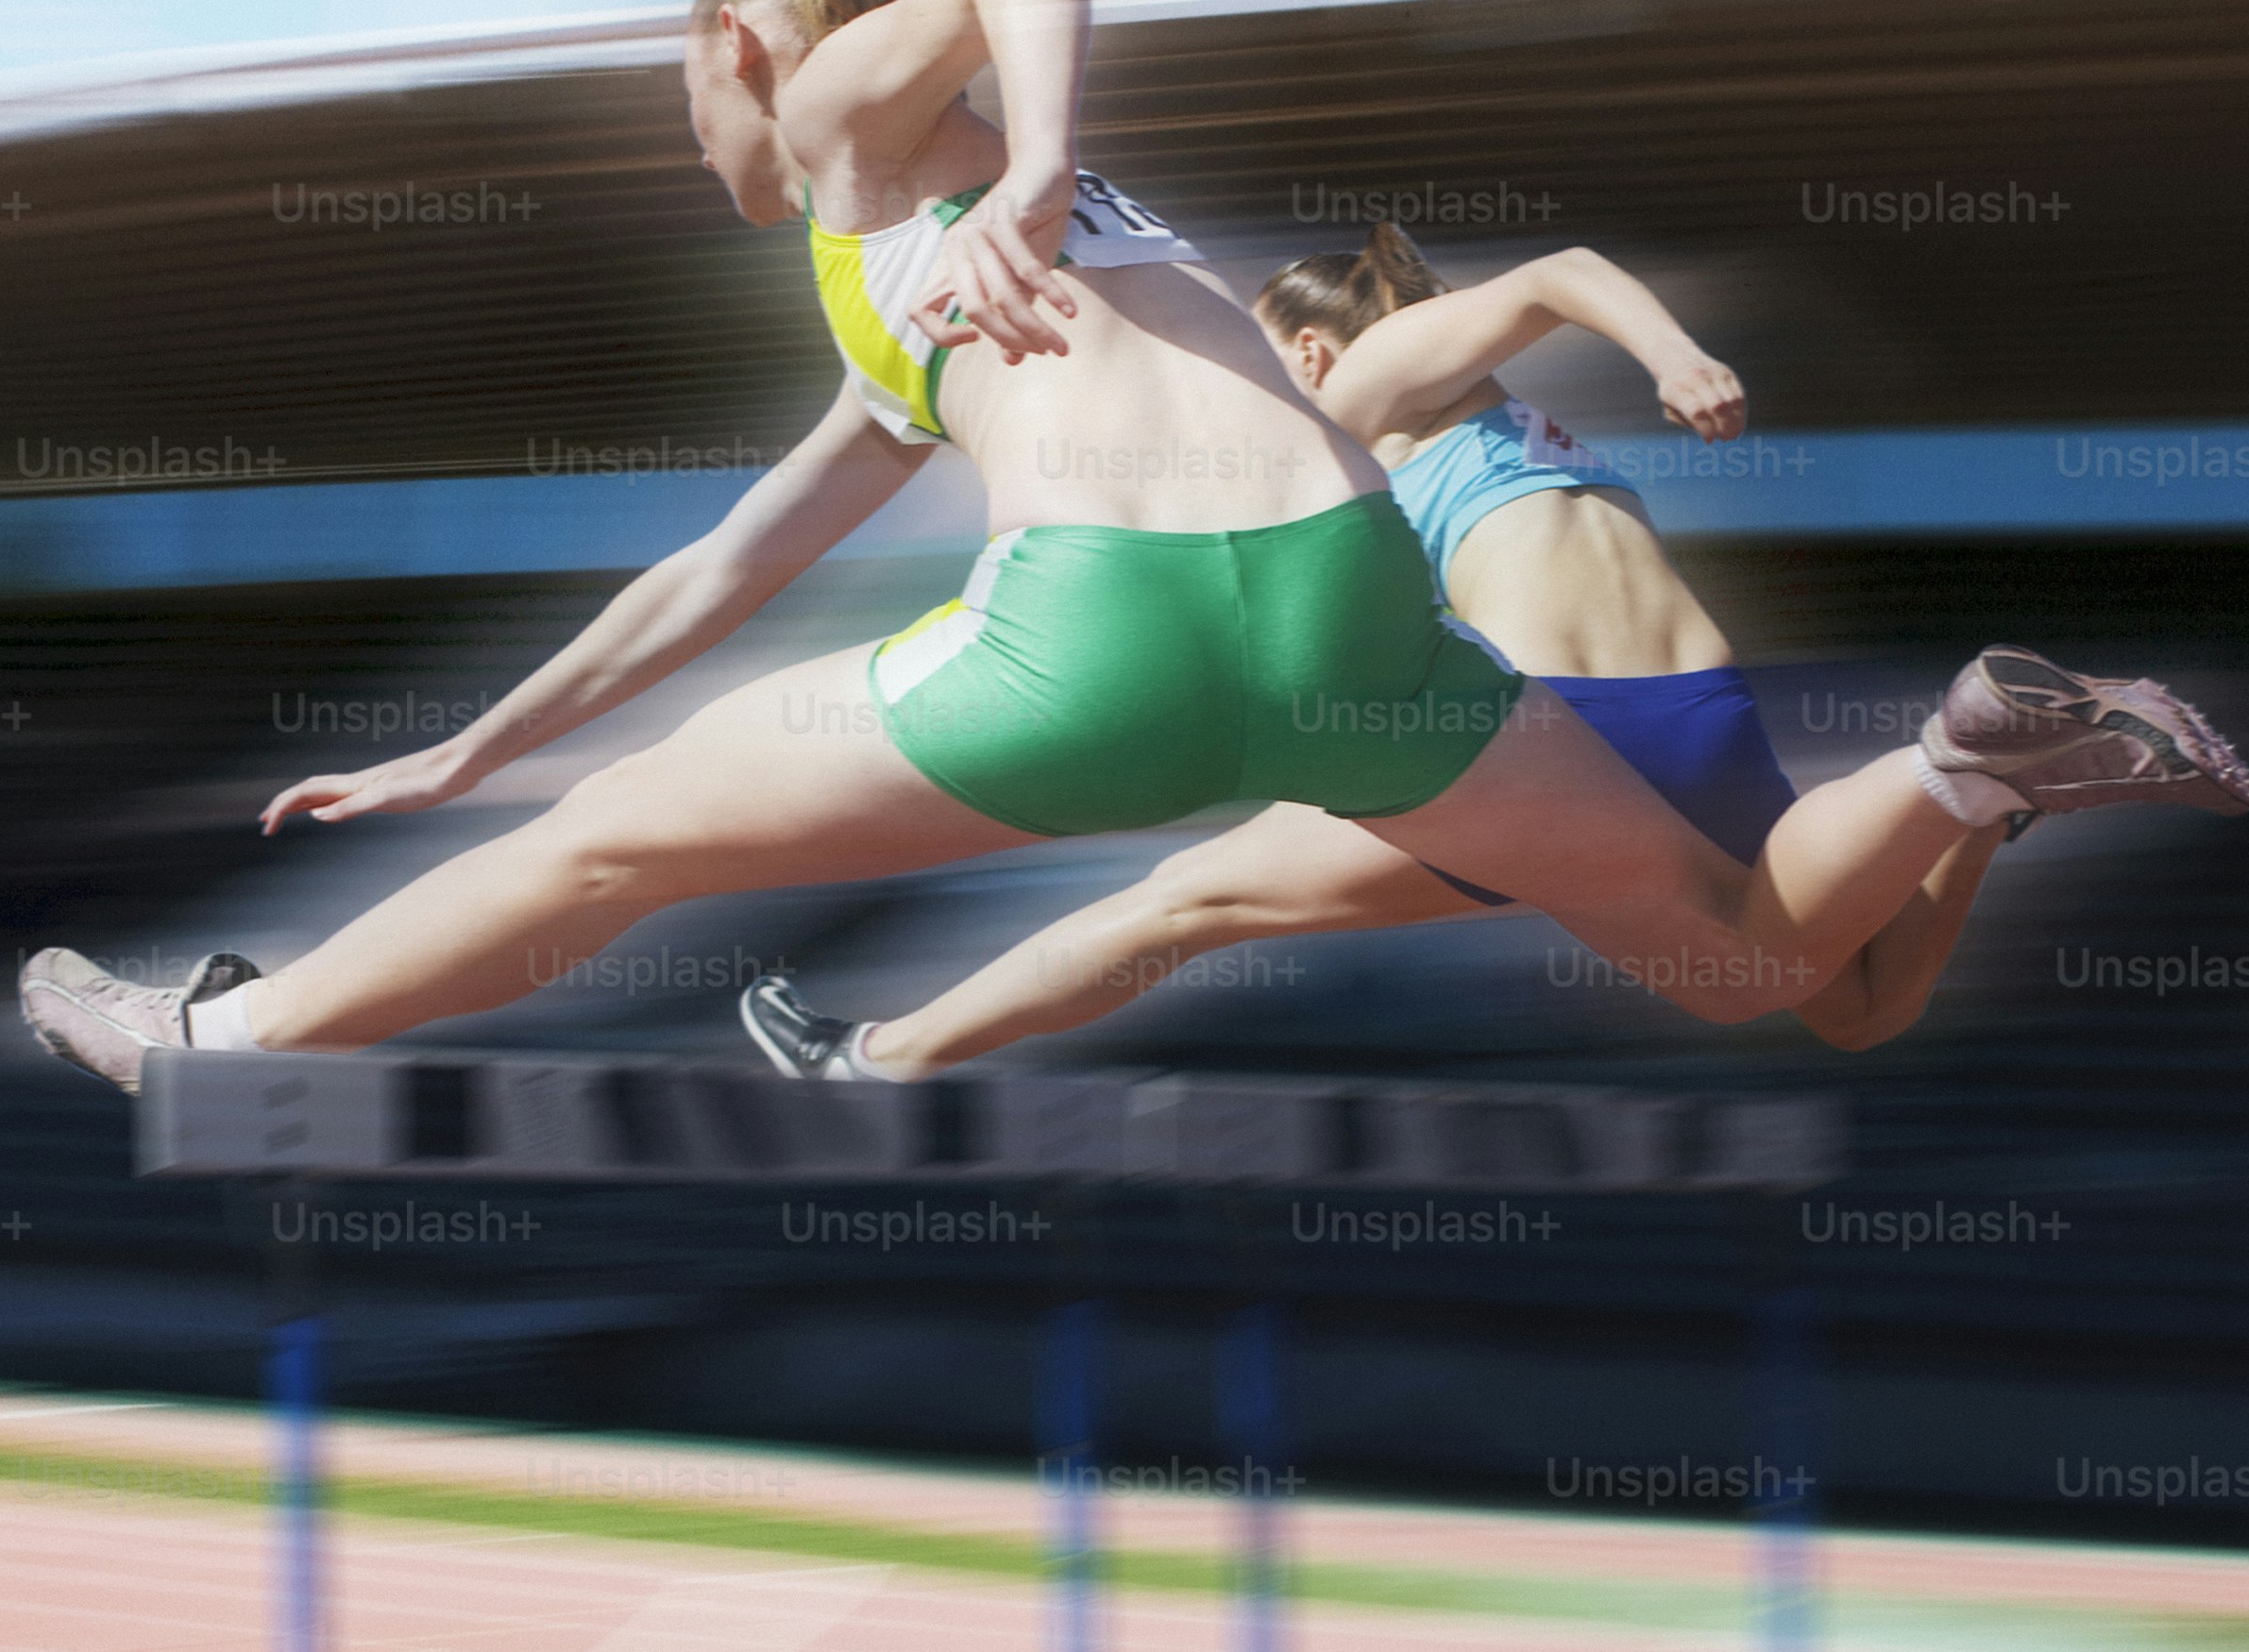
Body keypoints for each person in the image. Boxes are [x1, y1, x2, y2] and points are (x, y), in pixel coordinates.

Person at [18, 0, 2248, 1091]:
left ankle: (203, 1037)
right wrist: (468, 742)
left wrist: (1048, 139)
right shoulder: (924, 311)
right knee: (1760, 971)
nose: (694, 133)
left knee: (610, 849)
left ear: (730, 54)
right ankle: (1966, 775)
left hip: (1101, 634)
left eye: (679, 91)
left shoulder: (850, 145)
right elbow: (724, 561)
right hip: (1356, 627)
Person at [738, 225, 2012, 1078]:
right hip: (1696, 714)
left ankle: (876, 1056)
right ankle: (1975, 792)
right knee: (1847, 1005)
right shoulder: (1523, 433)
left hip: (1562, 736)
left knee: (1180, 903)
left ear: (1304, 349)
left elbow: (1558, 268)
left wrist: (1679, 355)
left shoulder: (1370, 380)